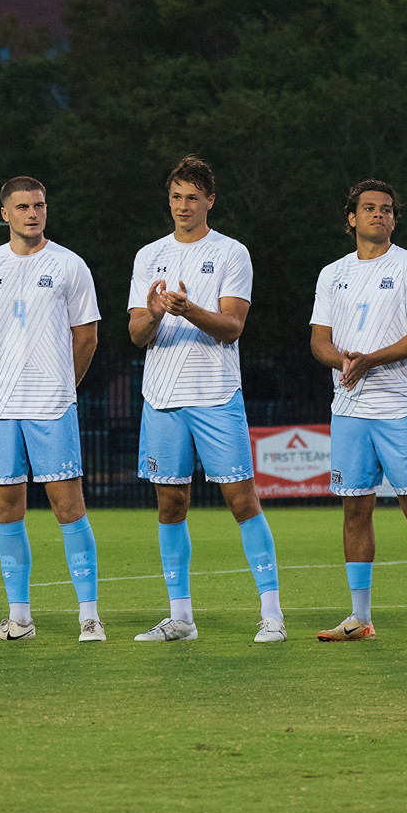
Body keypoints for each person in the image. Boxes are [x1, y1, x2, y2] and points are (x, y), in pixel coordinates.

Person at [127, 156, 284, 644]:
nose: (183, 206)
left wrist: (188, 309)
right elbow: (135, 333)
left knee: (242, 501)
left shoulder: (232, 253)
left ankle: (272, 615)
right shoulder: (148, 255)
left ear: (210, 201)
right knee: (170, 504)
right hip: (162, 398)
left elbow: (233, 327)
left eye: (193, 197)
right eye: (176, 197)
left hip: (215, 396)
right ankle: (181, 618)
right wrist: (154, 314)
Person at [0, 177, 104, 643]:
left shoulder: (69, 265)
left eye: (39, 205)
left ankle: (89, 616)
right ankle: (19, 619)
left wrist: (61, 382)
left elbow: (87, 337)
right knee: (6, 511)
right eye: (22, 206)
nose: (32, 213)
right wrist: (6, 374)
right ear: (5, 213)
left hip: (51, 406)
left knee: (69, 508)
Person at [308, 180, 407, 644]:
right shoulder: (332, 273)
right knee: (354, 510)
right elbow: (319, 341)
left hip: (400, 406)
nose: (379, 215)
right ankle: (360, 618)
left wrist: (371, 358)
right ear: (351, 218)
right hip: (349, 408)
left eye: (387, 210)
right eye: (369, 209)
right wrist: (344, 360)